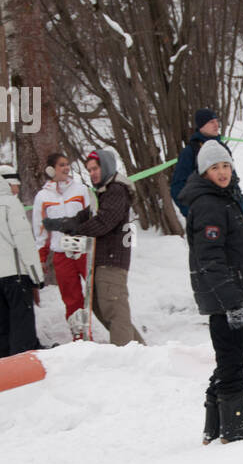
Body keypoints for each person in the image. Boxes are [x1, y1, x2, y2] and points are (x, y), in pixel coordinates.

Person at [179, 140, 243, 444]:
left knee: (227, 359)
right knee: (232, 361)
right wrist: (232, 303)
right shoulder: (209, 204)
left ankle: (214, 425)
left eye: (226, 165)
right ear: (204, 172)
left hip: (228, 296)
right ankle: (234, 424)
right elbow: (211, 259)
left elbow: (230, 242)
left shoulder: (222, 199)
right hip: (224, 299)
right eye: (215, 167)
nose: (222, 172)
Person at [48, 149, 145, 346]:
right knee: (100, 307)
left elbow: (104, 221)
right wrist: (64, 223)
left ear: (106, 166)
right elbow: (87, 215)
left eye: (95, 168)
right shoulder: (103, 193)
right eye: (89, 170)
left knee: (114, 310)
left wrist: (77, 230)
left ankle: (126, 354)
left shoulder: (116, 190)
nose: (92, 173)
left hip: (112, 260)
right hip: (101, 260)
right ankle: (140, 350)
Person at [32, 152, 91, 339]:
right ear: (51, 169)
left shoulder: (80, 190)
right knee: (72, 299)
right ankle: (79, 336)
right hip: (61, 254)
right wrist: (41, 257)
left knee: (95, 292)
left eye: (67, 164)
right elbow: (40, 230)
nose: (66, 168)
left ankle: (100, 330)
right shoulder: (42, 196)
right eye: (61, 165)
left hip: (84, 250)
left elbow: (92, 218)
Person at [0, 164, 44, 356]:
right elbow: (24, 242)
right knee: (22, 324)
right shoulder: (11, 204)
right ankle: (23, 362)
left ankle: (4, 364)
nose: (18, 189)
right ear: (9, 183)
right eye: (16, 184)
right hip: (16, 276)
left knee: (3, 327)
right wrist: (37, 277)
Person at [171, 110, 243, 219]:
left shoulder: (222, 147)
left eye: (216, 121)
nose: (216, 125)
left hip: (231, 212)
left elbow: (233, 180)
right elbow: (177, 187)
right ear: (201, 126)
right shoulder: (190, 151)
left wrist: (241, 207)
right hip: (207, 214)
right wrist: (193, 213)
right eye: (211, 122)